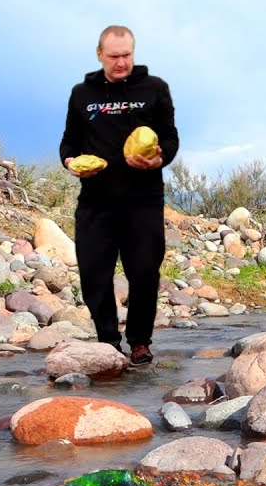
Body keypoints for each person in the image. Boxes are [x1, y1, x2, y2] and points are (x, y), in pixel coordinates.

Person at [59, 25, 179, 365]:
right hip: (96, 201)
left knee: (144, 272)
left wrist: (158, 159)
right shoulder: (82, 94)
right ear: (100, 55)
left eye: (127, 55)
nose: (121, 62)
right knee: (94, 272)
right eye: (114, 56)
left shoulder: (155, 89)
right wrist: (70, 162)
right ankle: (108, 342)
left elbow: (170, 138)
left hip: (143, 200)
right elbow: (69, 142)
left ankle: (140, 341)